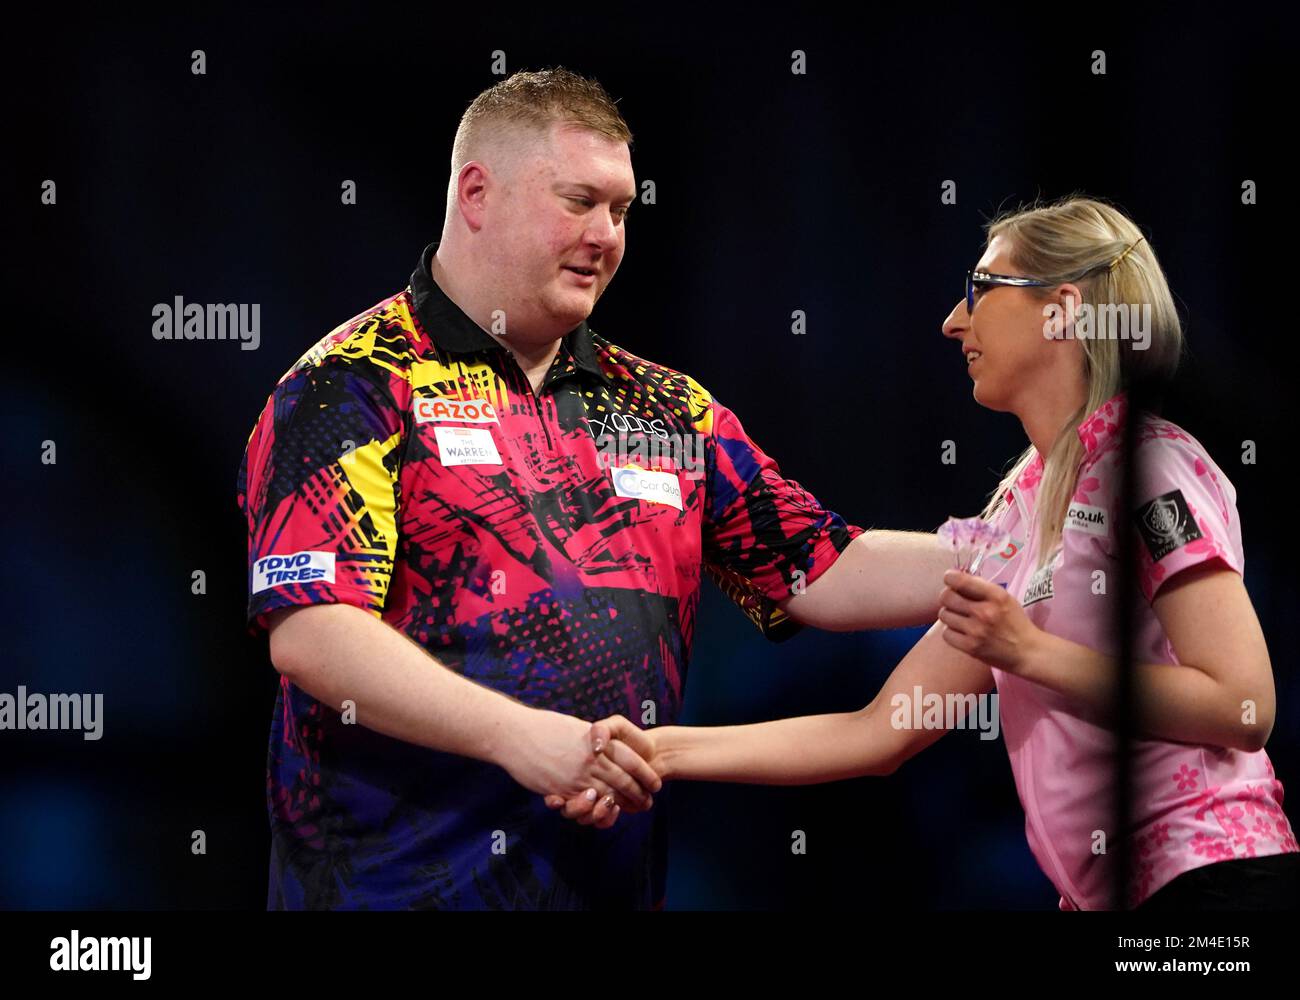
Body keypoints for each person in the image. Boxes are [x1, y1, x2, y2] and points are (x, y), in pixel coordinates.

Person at [236, 67, 951, 909]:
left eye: (621, 210)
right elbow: (314, 633)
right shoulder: (352, 384)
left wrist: (1025, 546)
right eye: (580, 201)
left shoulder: (669, 408)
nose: (607, 236)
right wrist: (521, 739)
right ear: (476, 193)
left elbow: (823, 566)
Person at [563, 196, 1300, 910]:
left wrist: (1028, 652)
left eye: (981, 289)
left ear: (1065, 308)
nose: (953, 322)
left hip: (1215, 879)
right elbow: (876, 732)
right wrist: (661, 752)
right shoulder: (1017, 516)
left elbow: (1244, 705)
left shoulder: (1151, 467)